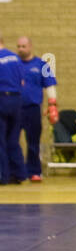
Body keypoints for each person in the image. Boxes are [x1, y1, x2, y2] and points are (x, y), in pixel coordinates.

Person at [14, 37, 57, 182]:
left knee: (33, 142)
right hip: (15, 108)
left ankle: (34, 172)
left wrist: (52, 104)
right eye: (18, 46)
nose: (20, 49)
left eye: (23, 46)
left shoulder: (42, 64)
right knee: (12, 141)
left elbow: (50, 84)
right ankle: (15, 171)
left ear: (30, 46)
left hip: (32, 109)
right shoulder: (14, 64)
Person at [0, 38, 24, 185]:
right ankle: (19, 174)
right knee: (13, 139)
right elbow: (22, 81)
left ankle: (3, 175)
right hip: (17, 100)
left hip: (2, 99)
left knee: (0, 140)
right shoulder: (15, 57)